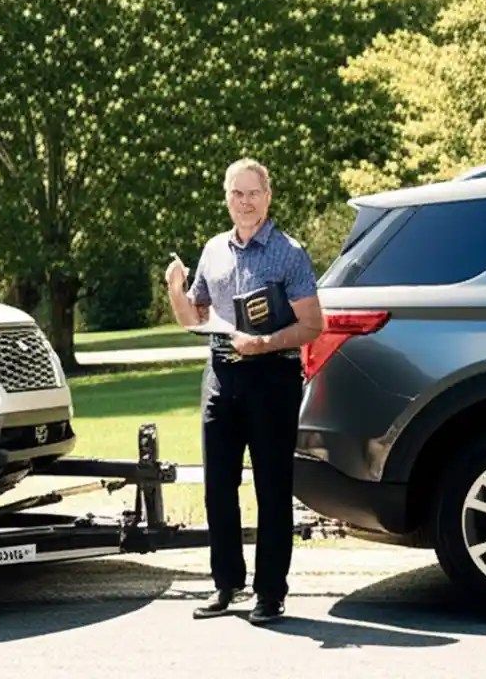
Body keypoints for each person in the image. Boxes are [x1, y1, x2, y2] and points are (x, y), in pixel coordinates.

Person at [165, 158, 323, 624]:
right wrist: (175, 289)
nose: (245, 201)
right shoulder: (214, 250)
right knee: (218, 487)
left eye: (254, 193)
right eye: (237, 193)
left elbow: (313, 324)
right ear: (227, 198)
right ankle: (226, 583)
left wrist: (265, 343)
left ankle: (270, 593)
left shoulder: (289, 253)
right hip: (220, 376)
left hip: (272, 378)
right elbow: (193, 318)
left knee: (272, 489)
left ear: (267, 197)